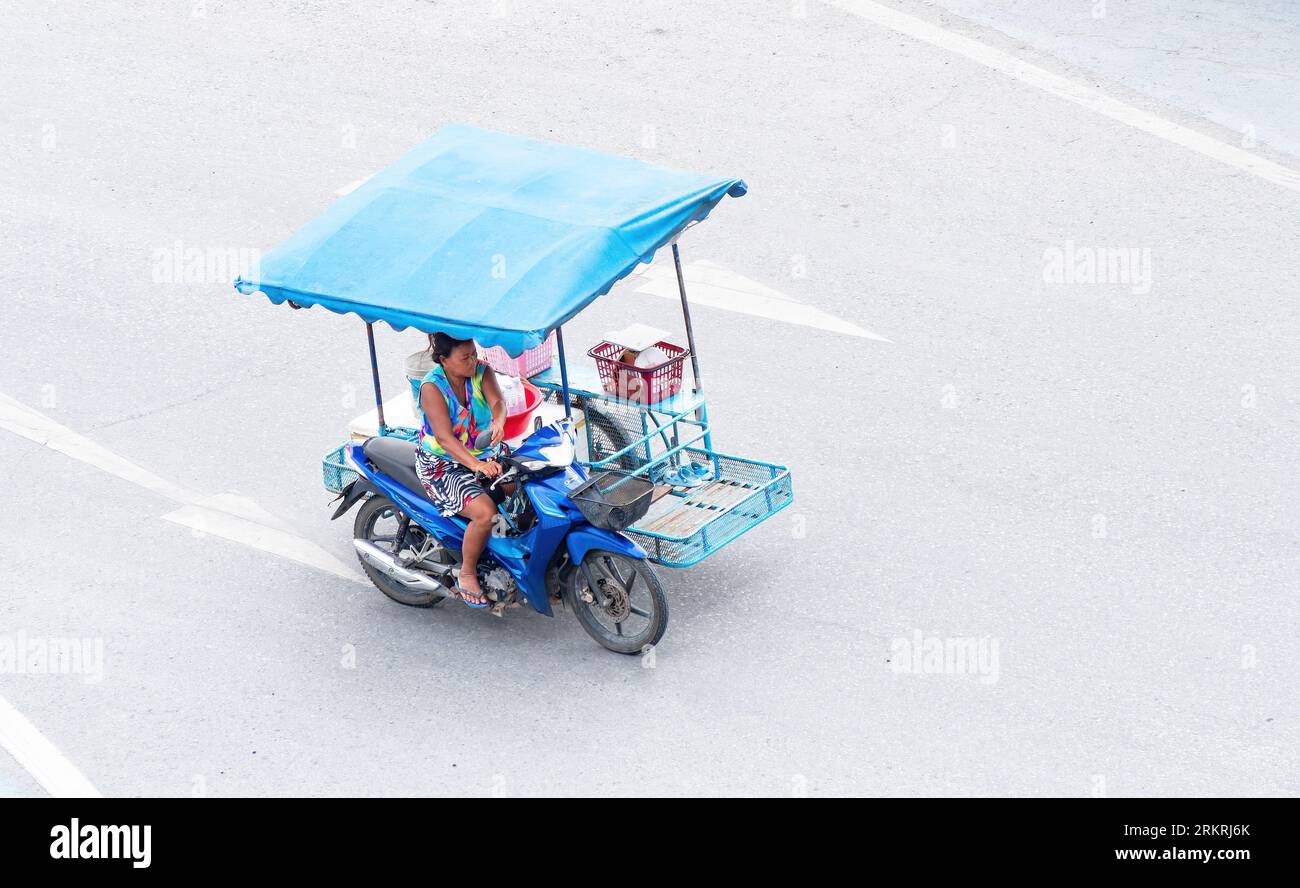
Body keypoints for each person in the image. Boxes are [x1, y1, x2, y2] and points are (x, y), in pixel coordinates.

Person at [415, 332, 512, 608]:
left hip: (485, 454)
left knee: (522, 488)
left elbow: (498, 403)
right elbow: (445, 438)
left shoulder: (481, 371)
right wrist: (477, 466)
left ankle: (501, 551)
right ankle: (467, 572)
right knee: (484, 513)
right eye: (465, 357)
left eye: (473, 353)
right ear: (444, 360)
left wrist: (499, 422)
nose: (473, 360)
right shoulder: (432, 388)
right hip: (443, 464)